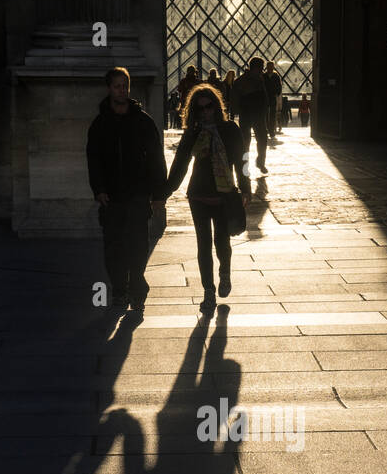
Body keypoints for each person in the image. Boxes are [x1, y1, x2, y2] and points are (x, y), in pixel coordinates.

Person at [86, 67, 168, 314]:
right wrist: (98, 188)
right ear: (109, 88)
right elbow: (93, 159)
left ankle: (136, 290)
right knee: (114, 247)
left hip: (138, 194)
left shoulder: (143, 121)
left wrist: (158, 193)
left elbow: (156, 159)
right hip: (111, 195)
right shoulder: (100, 124)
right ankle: (120, 289)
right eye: (117, 86)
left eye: (125, 85)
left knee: (138, 246)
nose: (122, 90)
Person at [165, 83, 250, 316]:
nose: (205, 112)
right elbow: (180, 164)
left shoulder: (230, 129)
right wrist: (165, 191)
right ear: (194, 111)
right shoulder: (192, 133)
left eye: (208, 107)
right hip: (198, 194)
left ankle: (225, 273)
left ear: (216, 106)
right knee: (203, 244)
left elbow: (243, 160)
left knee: (222, 242)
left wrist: (246, 188)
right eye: (199, 109)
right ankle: (208, 292)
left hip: (223, 195)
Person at [232, 57, 270, 175]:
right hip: (251, 114)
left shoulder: (244, 80)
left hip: (251, 115)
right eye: (261, 68)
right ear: (255, 68)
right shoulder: (247, 81)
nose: (262, 71)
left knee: (248, 141)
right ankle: (252, 163)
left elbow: (234, 99)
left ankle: (249, 164)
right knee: (254, 140)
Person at [264, 60, 282, 139]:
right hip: (267, 97)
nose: (270, 68)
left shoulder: (265, 76)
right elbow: (279, 86)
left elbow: (279, 86)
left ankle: (270, 130)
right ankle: (269, 130)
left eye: (271, 66)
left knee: (271, 115)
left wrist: (277, 93)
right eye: (269, 66)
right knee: (267, 115)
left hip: (270, 97)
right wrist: (277, 93)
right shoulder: (275, 76)